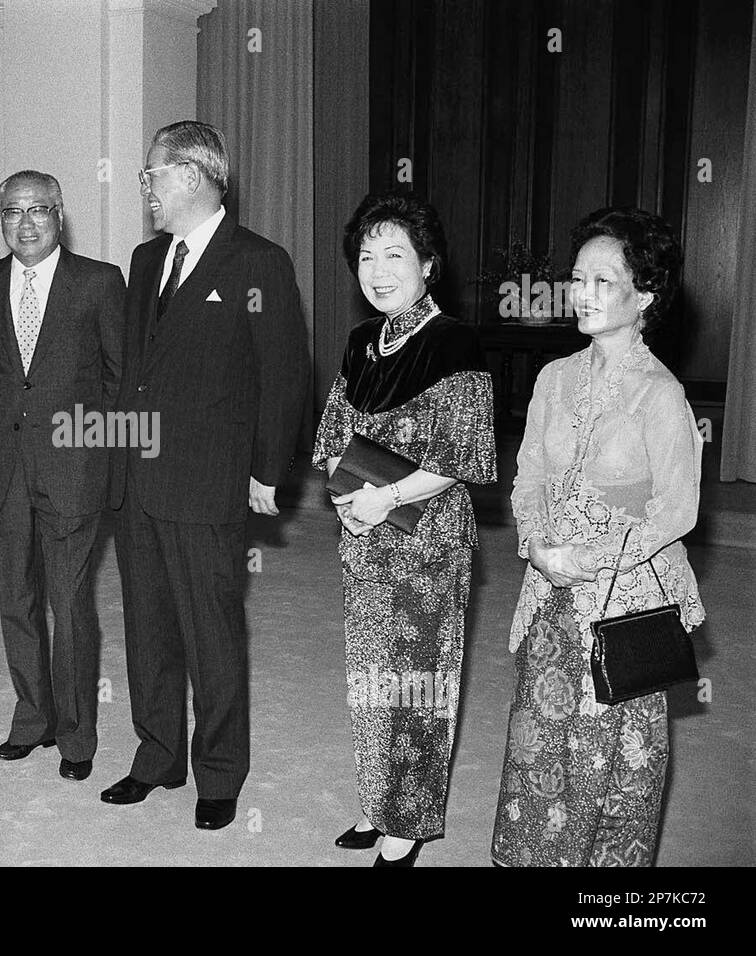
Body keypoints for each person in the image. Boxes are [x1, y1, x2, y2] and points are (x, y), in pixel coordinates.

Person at [104, 120, 310, 830]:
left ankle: (219, 772)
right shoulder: (143, 258)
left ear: (190, 176)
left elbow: (283, 375)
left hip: (208, 478)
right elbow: (135, 371)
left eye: (151, 175)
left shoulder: (258, 263)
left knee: (210, 631)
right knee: (148, 626)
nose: (146, 189)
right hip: (139, 477)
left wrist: (266, 470)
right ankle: (158, 755)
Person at [490, 207, 705, 867]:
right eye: (576, 278)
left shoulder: (660, 395)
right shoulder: (552, 380)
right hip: (549, 602)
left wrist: (599, 558)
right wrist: (538, 548)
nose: (581, 292)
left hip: (623, 612)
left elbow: (677, 510)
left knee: (609, 771)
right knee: (536, 757)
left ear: (645, 296)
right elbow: (525, 480)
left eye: (602, 281)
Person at [315, 190, 496, 865]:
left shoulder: (454, 341)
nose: (379, 269)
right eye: (367, 255)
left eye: (396, 254)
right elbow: (332, 434)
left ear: (428, 264)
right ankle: (376, 802)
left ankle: (407, 823)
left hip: (427, 541)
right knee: (370, 676)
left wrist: (383, 498)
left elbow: (460, 455)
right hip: (362, 534)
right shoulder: (365, 340)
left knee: (416, 684)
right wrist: (348, 499)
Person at [0, 170, 125, 783]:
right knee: (17, 600)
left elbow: (115, 380)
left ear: (60, 213)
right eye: (11, 212)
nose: (25, 223)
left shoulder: (98, 282)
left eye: (38, 210)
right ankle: (32, 718)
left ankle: (77, 734)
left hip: (73, 468)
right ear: (0, 218)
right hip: (4, 469)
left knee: (71, 603)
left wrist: (95, 456)